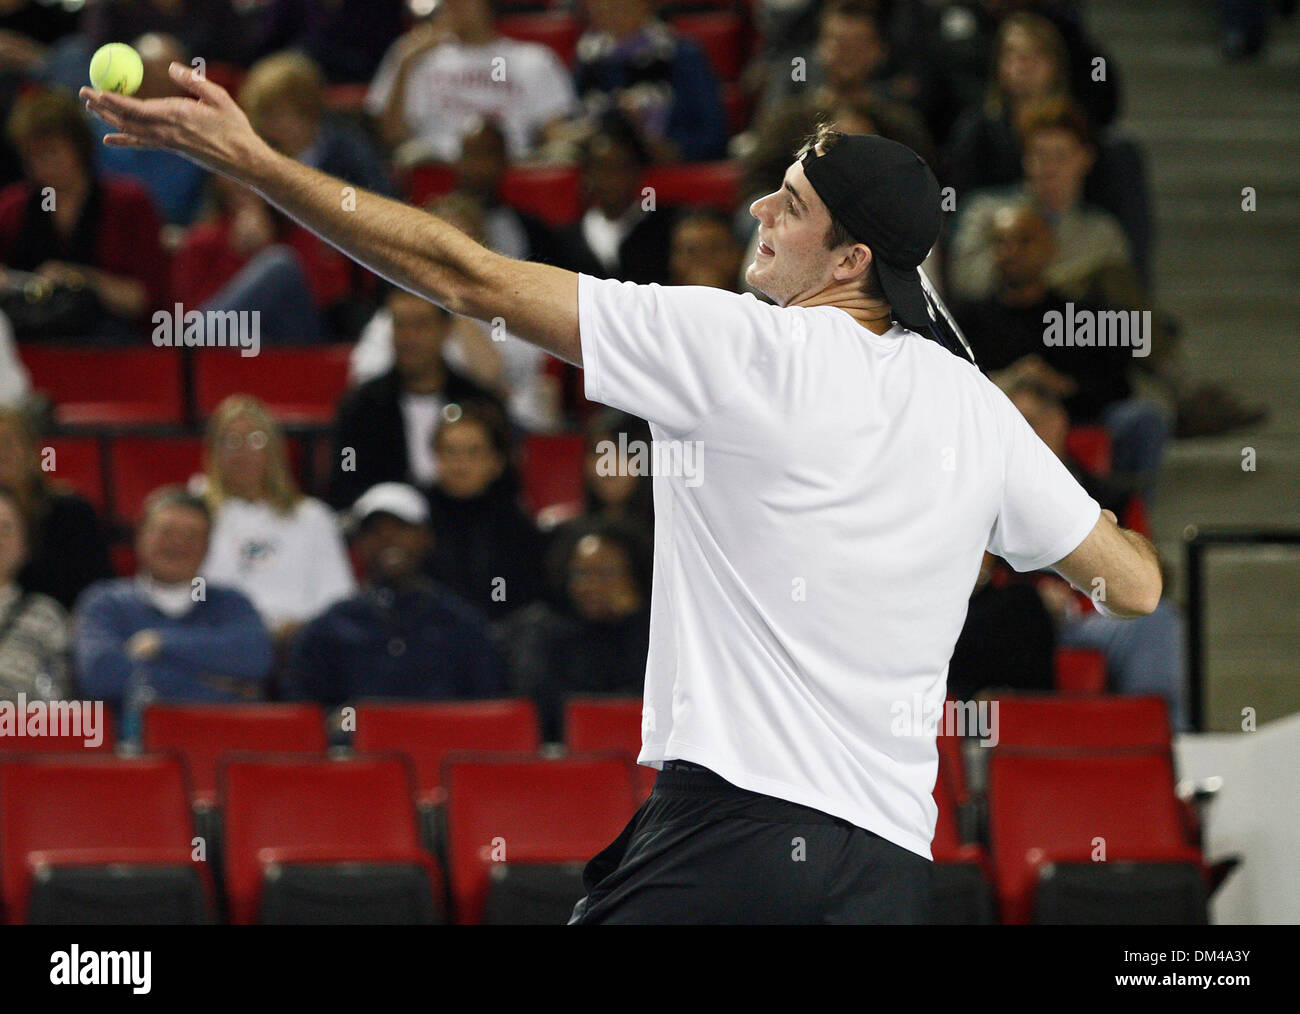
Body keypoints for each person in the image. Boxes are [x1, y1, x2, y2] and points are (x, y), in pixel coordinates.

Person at [84, 67, 1163, 924]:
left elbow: (463, 276)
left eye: (787, 205)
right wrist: (1041, 510)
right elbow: (1133, 587)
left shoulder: (736, 344)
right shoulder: (970, 407)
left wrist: (260, 163)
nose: (755, 207)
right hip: (886, 871)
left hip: (733, 838)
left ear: (849, 260)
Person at [284, 482, 508, 707]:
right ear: (359, 544)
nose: (387, 537)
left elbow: (489, 710)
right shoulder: (328, 630)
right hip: (357, 742)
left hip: (445, 740)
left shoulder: (462, 625)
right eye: (374, 530)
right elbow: (304, 712)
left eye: (401, 527)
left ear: (426, 537)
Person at [74, 486, 273, 717]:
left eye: (191, 535)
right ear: (140, 536)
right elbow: (101, 677)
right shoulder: (106, 603)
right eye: (166, 532)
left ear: (208, 547)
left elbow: (256, 658)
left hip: (224, 741)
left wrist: (160, 643)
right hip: (135, 745)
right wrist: (219, 685)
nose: (178, 543)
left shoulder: (230, 602)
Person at [0, 87, 167, 343]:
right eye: (32, 156)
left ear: (79, 147)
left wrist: (80, 280)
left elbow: (144, 300)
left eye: (52, 152)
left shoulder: (127, 202)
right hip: (29, 340)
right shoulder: (12, 208)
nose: (42, 166)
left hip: (111, 343)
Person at [197, 395, 355, 652]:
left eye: (256, 440)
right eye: (230, 441)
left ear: (274, 450)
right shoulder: (197, 514)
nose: (243, 451)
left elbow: (337, 601)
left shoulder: (313, 517)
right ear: (212, 451)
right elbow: (188, 597)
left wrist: (297, 630)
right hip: (219, 645)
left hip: (301, 645)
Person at [327, 286, 502, 508]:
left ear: (445, 329)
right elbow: (345, 479)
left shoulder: (479, 403)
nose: (408, 337)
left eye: (421, 324)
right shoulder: (360, 407)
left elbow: (502, 487)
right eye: (400, 325)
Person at [495, 516, 651, 743]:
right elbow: (548, 712)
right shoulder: (543, 634)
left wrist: (633, 621)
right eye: (581, 573)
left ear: (634, 577)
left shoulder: (654, 635)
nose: (591, 585)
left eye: (607, 573)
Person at [366, 0, 575, 165]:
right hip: (436, 169)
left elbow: (555, 134)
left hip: (506, 171)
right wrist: (405, 62)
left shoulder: (533, 60)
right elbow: (391, 136)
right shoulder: (411, 55)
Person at [421, 399, 545, 621]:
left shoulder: (516, 526)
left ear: (496, 462)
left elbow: (525, 603)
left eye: (473, 452)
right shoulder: (415, 517)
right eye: (450, 451)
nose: (460, 463)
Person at [574, 0, 727, 164]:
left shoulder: (682, 56)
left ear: (646, 6)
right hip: (601, 166)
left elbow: (713, 136)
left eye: (621, 5)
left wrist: (658, 143)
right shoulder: (588, 58)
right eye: (602, 4)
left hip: (669, 168)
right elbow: (576, 118)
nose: (610, 11)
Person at [0, 406, 112, 610]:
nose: (1, 453)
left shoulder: (71, 513)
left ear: (31, 451)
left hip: (63, 629)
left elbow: (95, 589)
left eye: (7, 443)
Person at [0, 486, 71, 702]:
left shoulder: (48, 614)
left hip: (26, 730)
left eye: (5, 530)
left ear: (25, 546)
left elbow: (61, 695)